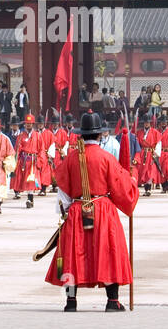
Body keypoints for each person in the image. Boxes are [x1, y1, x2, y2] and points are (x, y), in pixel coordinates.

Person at [46, 111, 138, 312]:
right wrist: (132, 182)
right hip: (103, 209)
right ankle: (112, 301)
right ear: (99, 135)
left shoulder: (71, 159)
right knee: (109, 252)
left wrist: (69, 210)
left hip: (78, 209)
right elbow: (121, 188)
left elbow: (62, 191)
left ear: (81, 135)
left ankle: (71, 302)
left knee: (72, 256)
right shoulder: (106, 158)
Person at [13, 113, 42, 208]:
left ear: (33, 124)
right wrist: (16, 162)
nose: (28, 125)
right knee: (24, 181)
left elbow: (41, 149)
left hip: (33, 160)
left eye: (30, 123)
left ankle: (30, 199)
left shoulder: (37, 135)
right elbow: (17, 149)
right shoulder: (21, 136)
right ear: (24, 124)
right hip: (24, 161)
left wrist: (40, 161)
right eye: (27, 123)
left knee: (31, 180)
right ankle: (22, 195)